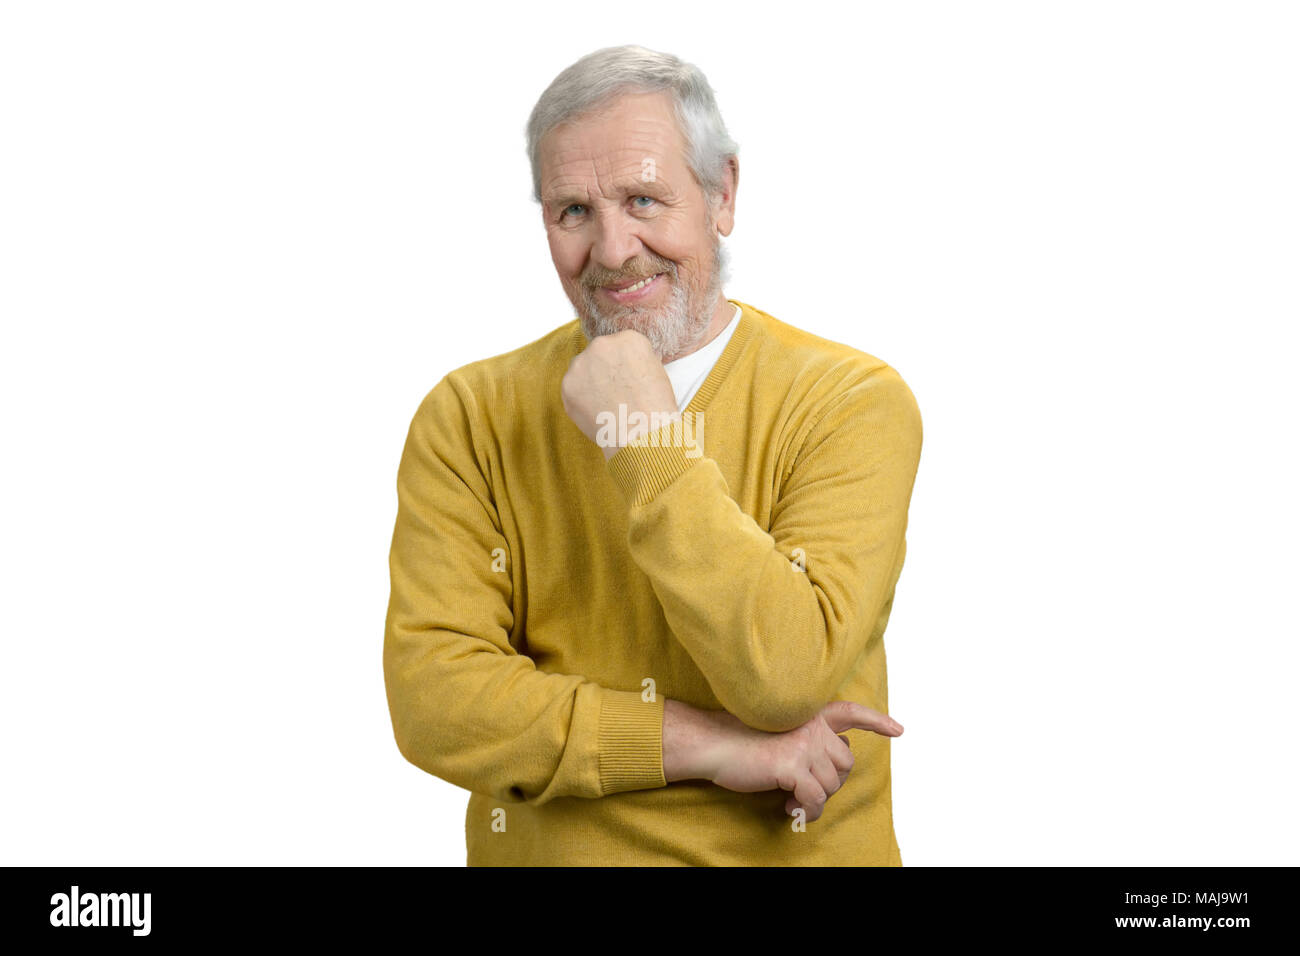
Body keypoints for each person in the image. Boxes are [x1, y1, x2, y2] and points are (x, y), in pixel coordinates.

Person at [382, 44, 923, 866]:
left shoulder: (850, 401)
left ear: (723, 194)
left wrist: (646, 442)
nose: (612, 251)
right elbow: (436, 703)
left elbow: (783, 674)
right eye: (573, 212)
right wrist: (710, 744)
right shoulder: (469, 415)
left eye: (644, 199)